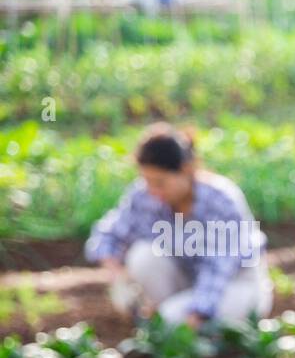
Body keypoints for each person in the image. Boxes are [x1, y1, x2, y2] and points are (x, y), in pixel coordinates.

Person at [84, 123, 272, 328]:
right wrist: (118, 275)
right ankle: (172, 317)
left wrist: (195, 316)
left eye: (160, 183)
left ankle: (179, 320)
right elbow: (106, 235)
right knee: (143, 256)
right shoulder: (144, 195)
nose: (153, 190)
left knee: (170, 321)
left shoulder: (220, 200)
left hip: (234, 284)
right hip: (187, 280)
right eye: (147, 181)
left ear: (185, 170)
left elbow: (217, 269)